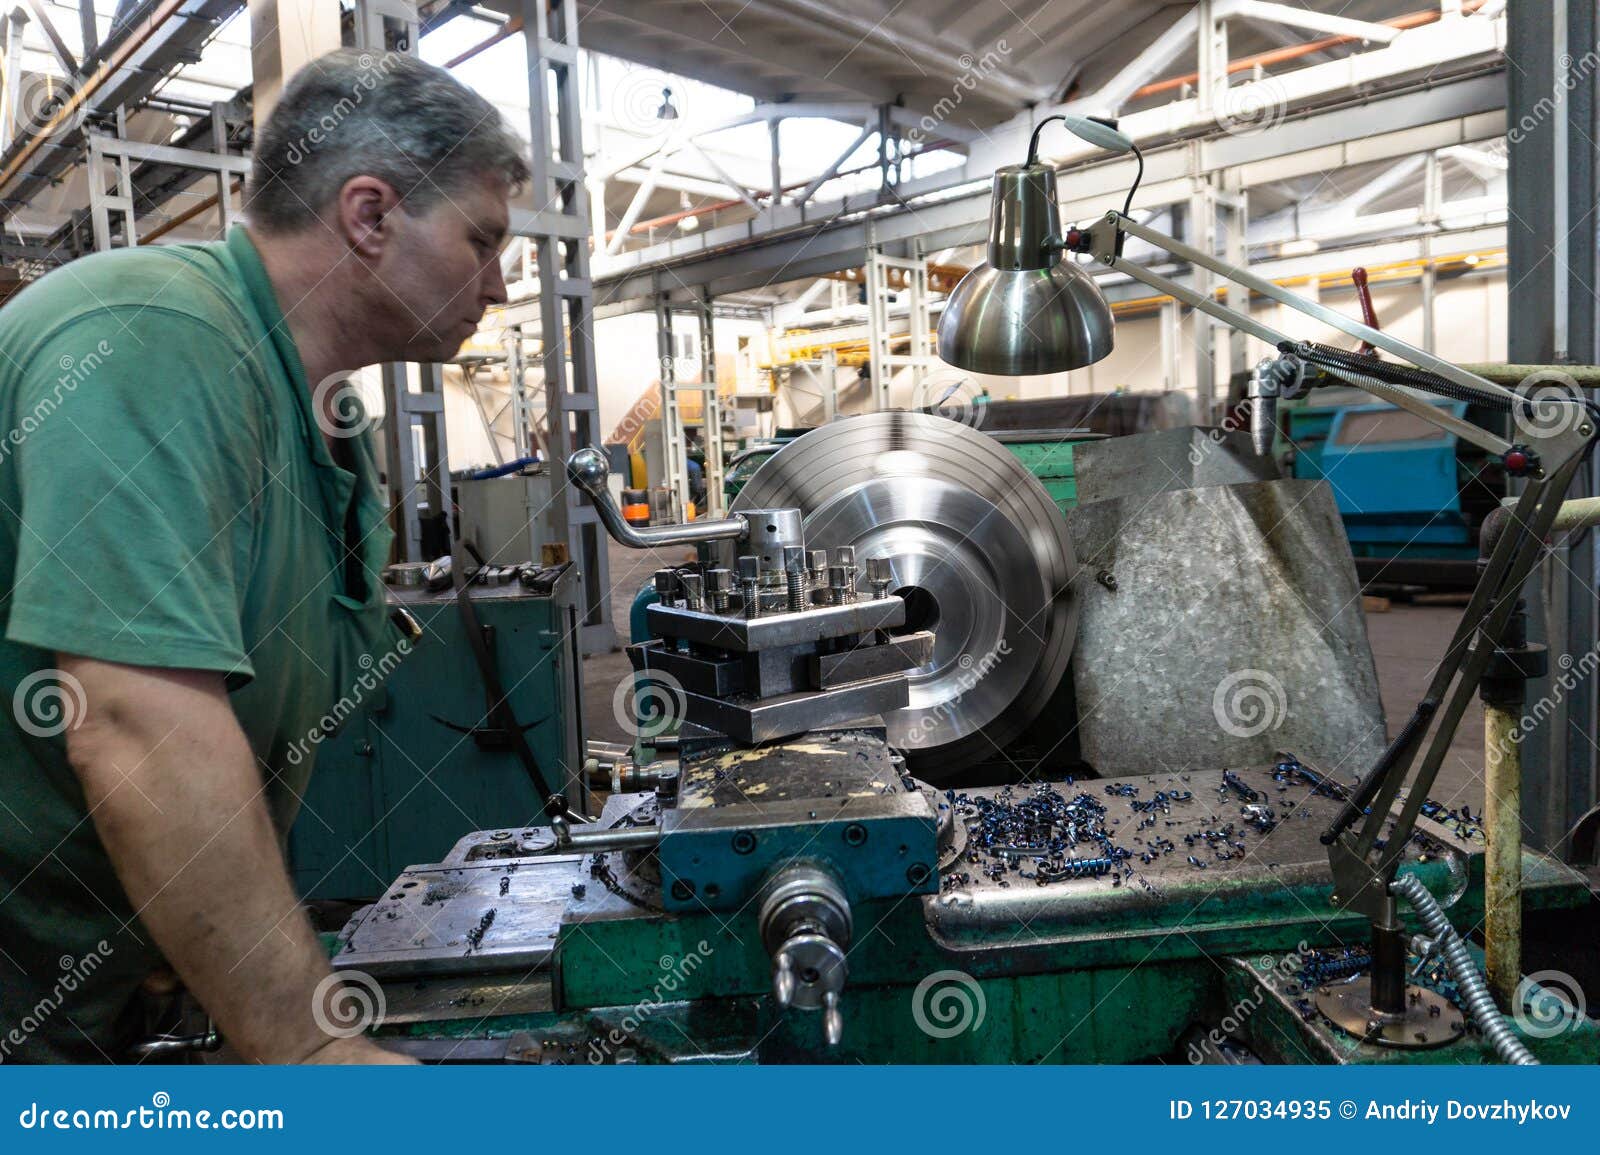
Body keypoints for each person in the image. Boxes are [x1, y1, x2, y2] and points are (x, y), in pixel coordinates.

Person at [0, 48, 526, 1062]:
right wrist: (310, 1049)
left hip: (96, 1002)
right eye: (483, 240)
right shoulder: (149, 339)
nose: (500, 286)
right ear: (369, 216)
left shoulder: (318, 418)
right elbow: (132, 723)